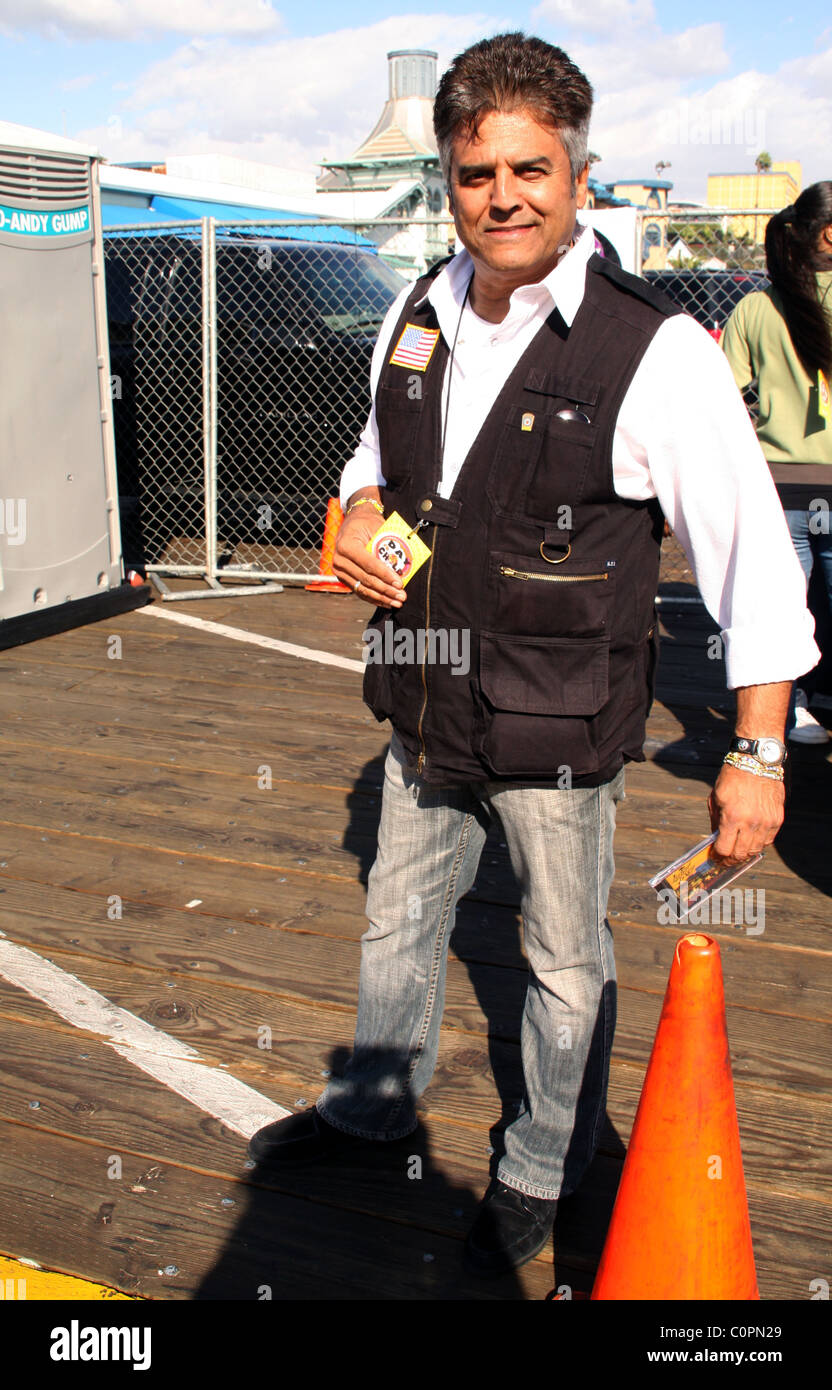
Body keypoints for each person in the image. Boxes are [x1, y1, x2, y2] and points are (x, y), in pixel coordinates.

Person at [248, 33, 819, 1279]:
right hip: (421, 700)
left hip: (560, 724)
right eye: (474, 173)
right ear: (448, 179)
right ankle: (370, 1112)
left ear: (576, 172)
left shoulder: (654, 350)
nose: (500, 196)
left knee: (563, 963)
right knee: (397, 917)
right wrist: (353, 516)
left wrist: (758, 755)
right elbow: (373, 458)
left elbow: (752, 566)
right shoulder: (419, 307)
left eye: (529, 169)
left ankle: (544, 1168)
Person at [722, 182, 832, 745]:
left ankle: (788, 717)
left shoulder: (754, 307)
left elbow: (723, 396)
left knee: (778, 609)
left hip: (777, 487)